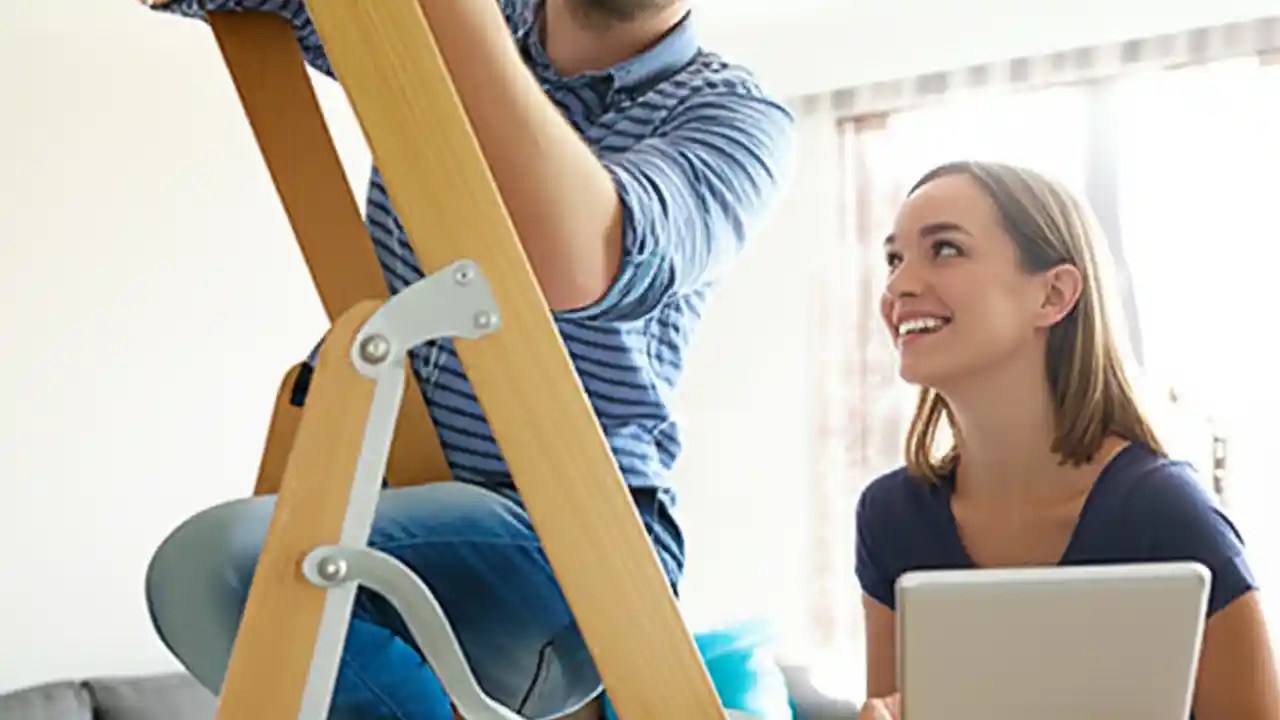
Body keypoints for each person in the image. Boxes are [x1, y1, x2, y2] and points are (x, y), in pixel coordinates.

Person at [140, 0, 795, 718]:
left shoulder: (735, 116)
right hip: (393, 492)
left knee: (224, 569)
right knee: (222, 579)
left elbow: (577, 261)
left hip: (578, 551)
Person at [854, 160, 1279, 720]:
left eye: (946, 249)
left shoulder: (1167, 514)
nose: (897, 286)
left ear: (1053, 294)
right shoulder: (891, 517)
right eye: (894, 258)